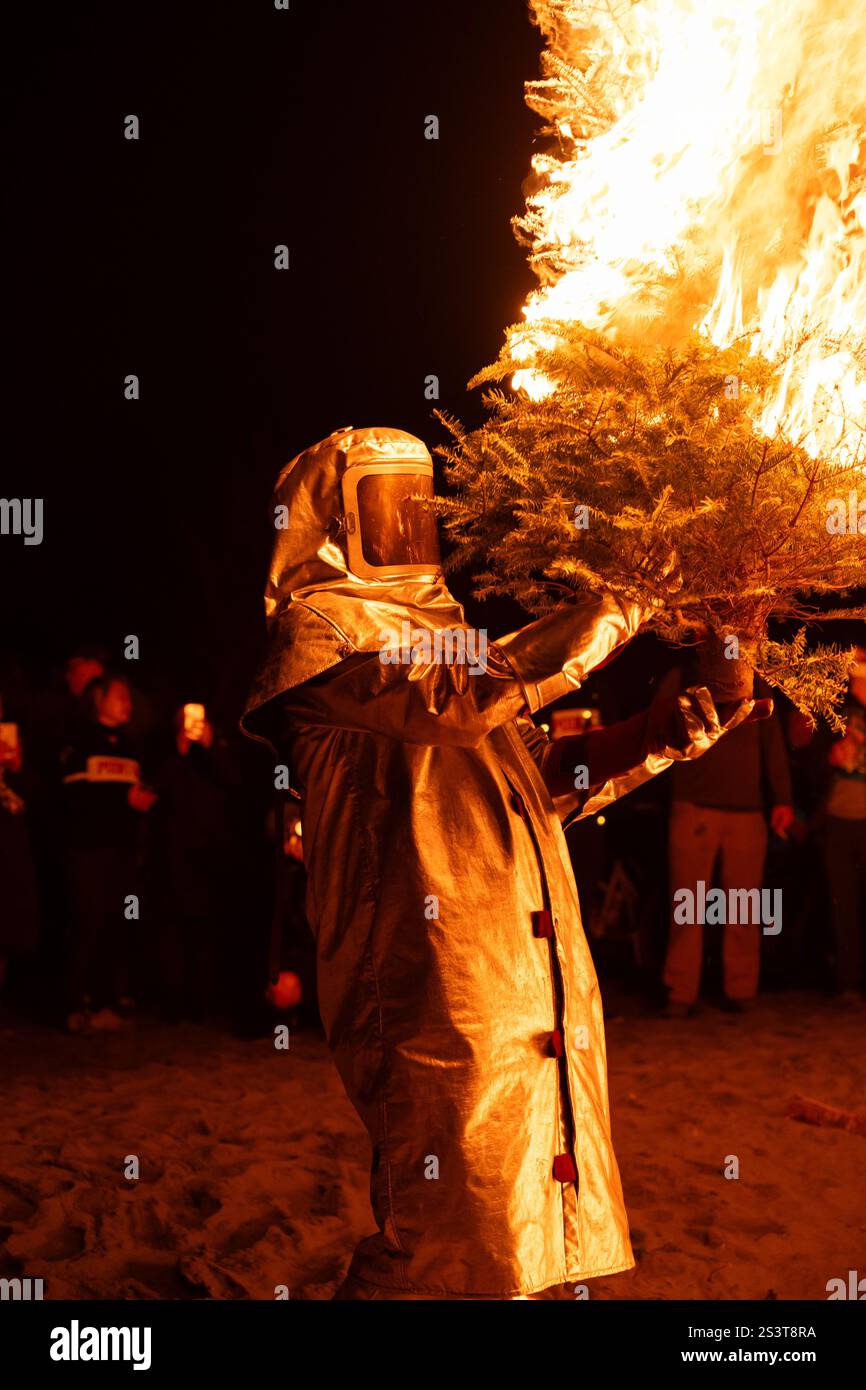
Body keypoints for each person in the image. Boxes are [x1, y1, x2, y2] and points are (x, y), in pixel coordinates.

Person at [241, 425, 765, 1300]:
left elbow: (542, 777)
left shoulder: (448, 631)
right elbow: (453, 704)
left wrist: (658, 740)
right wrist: (618, 604)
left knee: (520, 1206)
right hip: (428, 968)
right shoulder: (318, 638)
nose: (411, 518)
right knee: (437, 1222)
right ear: (329, 516)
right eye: (387, 497)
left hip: (526, 962)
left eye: (421, 498)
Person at [656, 659, 794, 1016]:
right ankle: (680, 991)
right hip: (694, 806)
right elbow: (656, 729)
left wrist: (782, 798)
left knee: (744, 907)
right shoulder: (684, 674)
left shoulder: (755, 681)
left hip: (746, 809)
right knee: (687, 905)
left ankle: (741, 988)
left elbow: (772, 739)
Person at [61, 673, 156, 1032]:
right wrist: (122, 801)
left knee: (118, 925)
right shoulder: (80, 744)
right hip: (88, 852)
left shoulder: (130, 748)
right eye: (119, 696)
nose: (127, 702)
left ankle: (106, 1001)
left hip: (123, 852)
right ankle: (75, 1003)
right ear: (98, 701)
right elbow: (73, 799)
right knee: (86, 923)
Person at [150, 705, 236, 1021]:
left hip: (211, 852)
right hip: (175, 854)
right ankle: (173, 1000)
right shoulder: (167, 752)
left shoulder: (218, 751)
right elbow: (158, 789)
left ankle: (204, 1000)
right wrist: (181, 752)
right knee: (174, 927)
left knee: (207, 926)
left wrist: (210, 747)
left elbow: (233, 781)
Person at [822, 647, 866, 1002]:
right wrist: (830, 756)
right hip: (839, 818)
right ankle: (847, 983)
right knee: (843, 906)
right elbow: (808, 753)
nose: (857, 686)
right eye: (854, 679)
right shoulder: (838, 714)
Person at [0, 700, 40, 993]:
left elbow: (36, 797)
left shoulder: (11, 741)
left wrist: (17, 767)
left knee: (7, 930)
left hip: (10, 846)